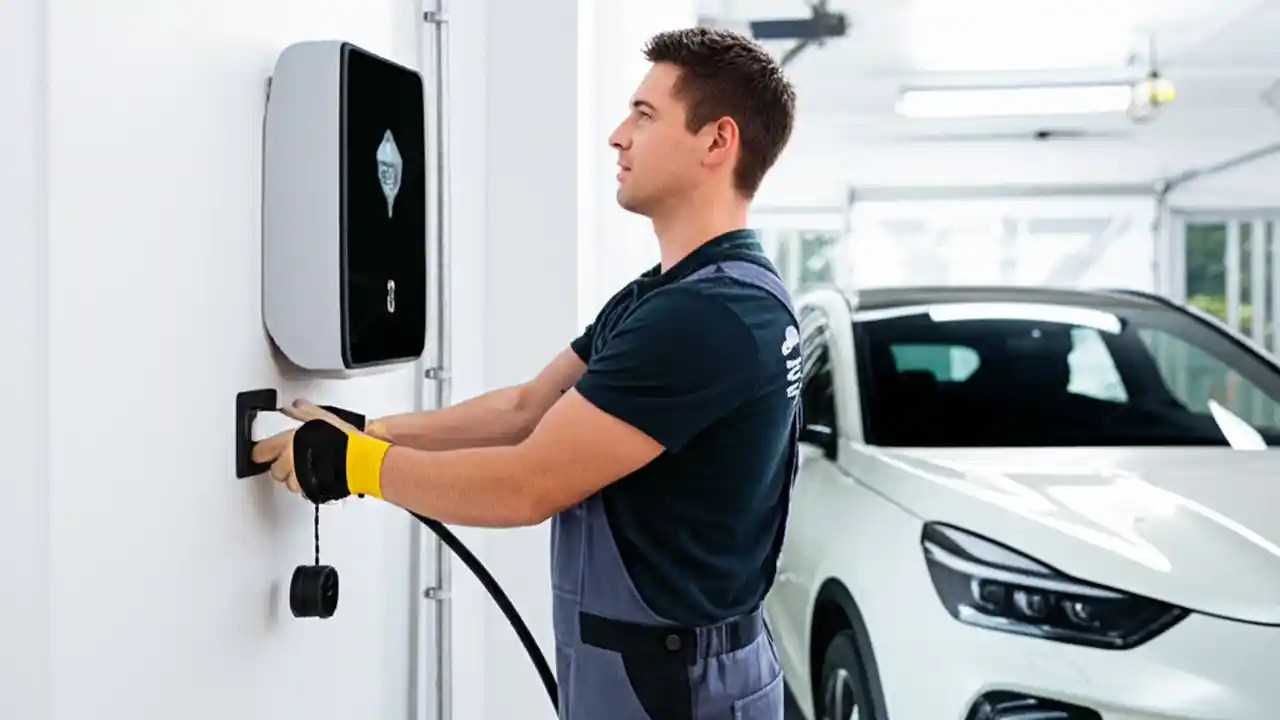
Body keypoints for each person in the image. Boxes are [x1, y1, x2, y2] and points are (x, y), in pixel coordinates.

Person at [253, 26, 799, 720]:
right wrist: (370, 429)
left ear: (717, 141)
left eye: (644, 114)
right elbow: (526, 410)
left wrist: (352, 465)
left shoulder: (706, 316)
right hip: (655, 665)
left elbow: (526, 484)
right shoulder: (678, 294)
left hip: (676, 688)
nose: (618, 137)